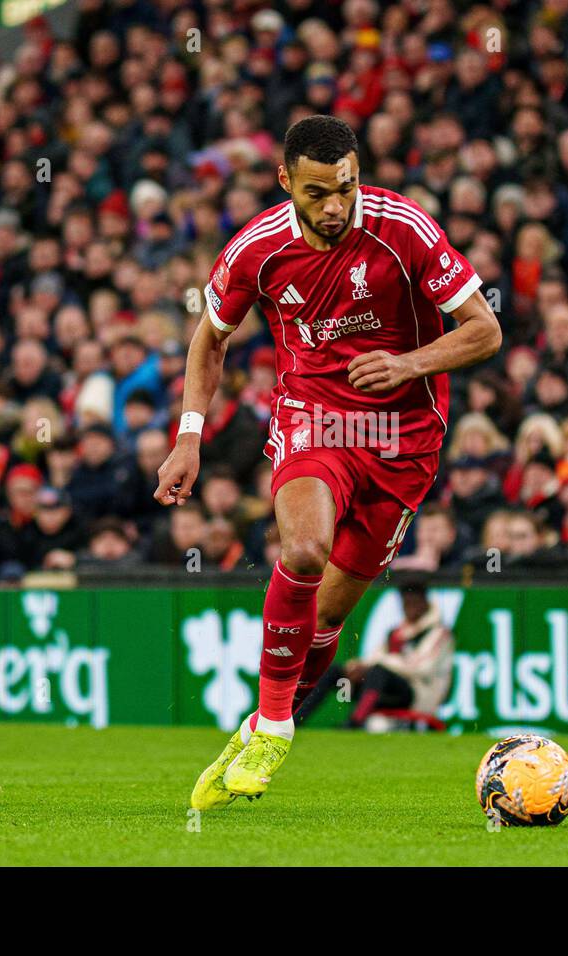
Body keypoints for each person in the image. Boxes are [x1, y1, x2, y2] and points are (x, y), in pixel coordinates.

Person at [155, 116, 500, 809]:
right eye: (318, 193)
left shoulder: (404, 229)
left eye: (346, 186)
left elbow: (485, 330)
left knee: (326, 620)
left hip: (406, 440)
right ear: (285, 181)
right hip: (314, 420)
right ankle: (277, 728)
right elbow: (209, 340)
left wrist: (408, 362)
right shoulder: (257, 250)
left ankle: (258, 721)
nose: (336, 205)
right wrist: (189, 435)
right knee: (304, 551)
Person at [293, 581, 454, 730]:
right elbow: (375, 658)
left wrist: (375, 665)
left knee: (379, 672)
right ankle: (296, 719)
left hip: (417, 696)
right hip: (385, 692)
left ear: (425, 603)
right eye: (406, 603)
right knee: (336, 672)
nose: (409, 607)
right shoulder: (397, 632)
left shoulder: (439, 633)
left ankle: (354, 723)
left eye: (414, 603)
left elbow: (421, 667)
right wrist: (357, 667)